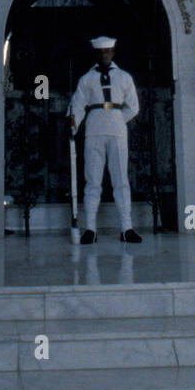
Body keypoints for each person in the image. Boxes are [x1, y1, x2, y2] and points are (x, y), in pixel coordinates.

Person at [69, 36, 141, 243]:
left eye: (108, 51)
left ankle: (126, 228)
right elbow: (78, 105)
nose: (105, 55)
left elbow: (133, 107)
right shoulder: (86, 79)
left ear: (113, 52)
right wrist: (74, 122)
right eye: (101, 52)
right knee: (92, 180)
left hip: (117, 131)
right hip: (94, 130)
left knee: (121, 180)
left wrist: (116, 118)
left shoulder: (124, 78)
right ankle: (90, 229)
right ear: (96, 54)